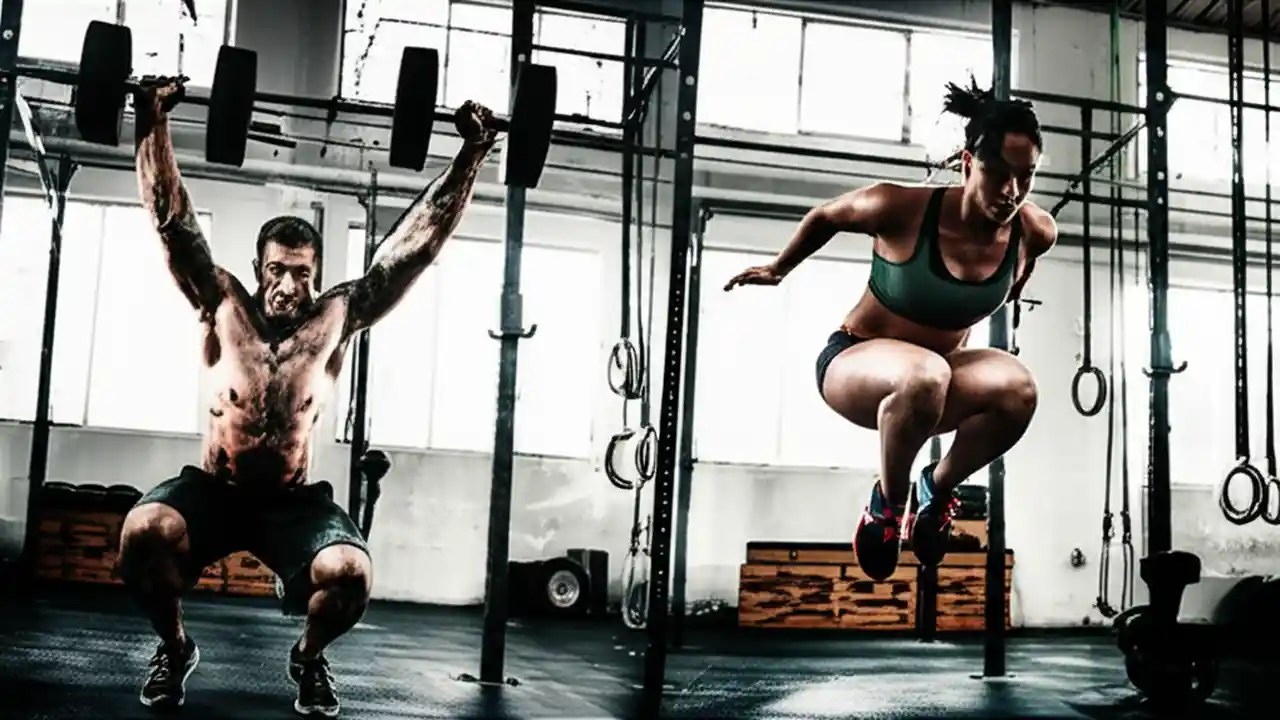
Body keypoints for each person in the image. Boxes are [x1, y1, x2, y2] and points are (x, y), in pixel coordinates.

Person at [116, 76, 499, 716]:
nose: (288, 284)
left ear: (315, 275)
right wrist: (151, 118)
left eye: (301, 272)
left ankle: (308, 657)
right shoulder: (221, 304)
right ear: (258, 266)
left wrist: (472, 155)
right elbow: (170, 220)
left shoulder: (335, 319)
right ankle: (176, 648)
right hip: (215, 490)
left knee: (351, 575)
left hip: (292, 503)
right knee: (143, 532)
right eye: (276, 269)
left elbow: (415, 251)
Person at [724, 79, 1058, 582]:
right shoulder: (901, 208)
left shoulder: (1035, 231)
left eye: (1026, 177)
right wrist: (778, 268)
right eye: (998, 173)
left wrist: (1011, 290)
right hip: (856, 366)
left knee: (1019, 388)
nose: (1012, 192)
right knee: (924, 374)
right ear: (969, 164)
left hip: (937, 380)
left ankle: (937, 489)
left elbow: (1020, 271)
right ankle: (888, 506)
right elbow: (826, 215)